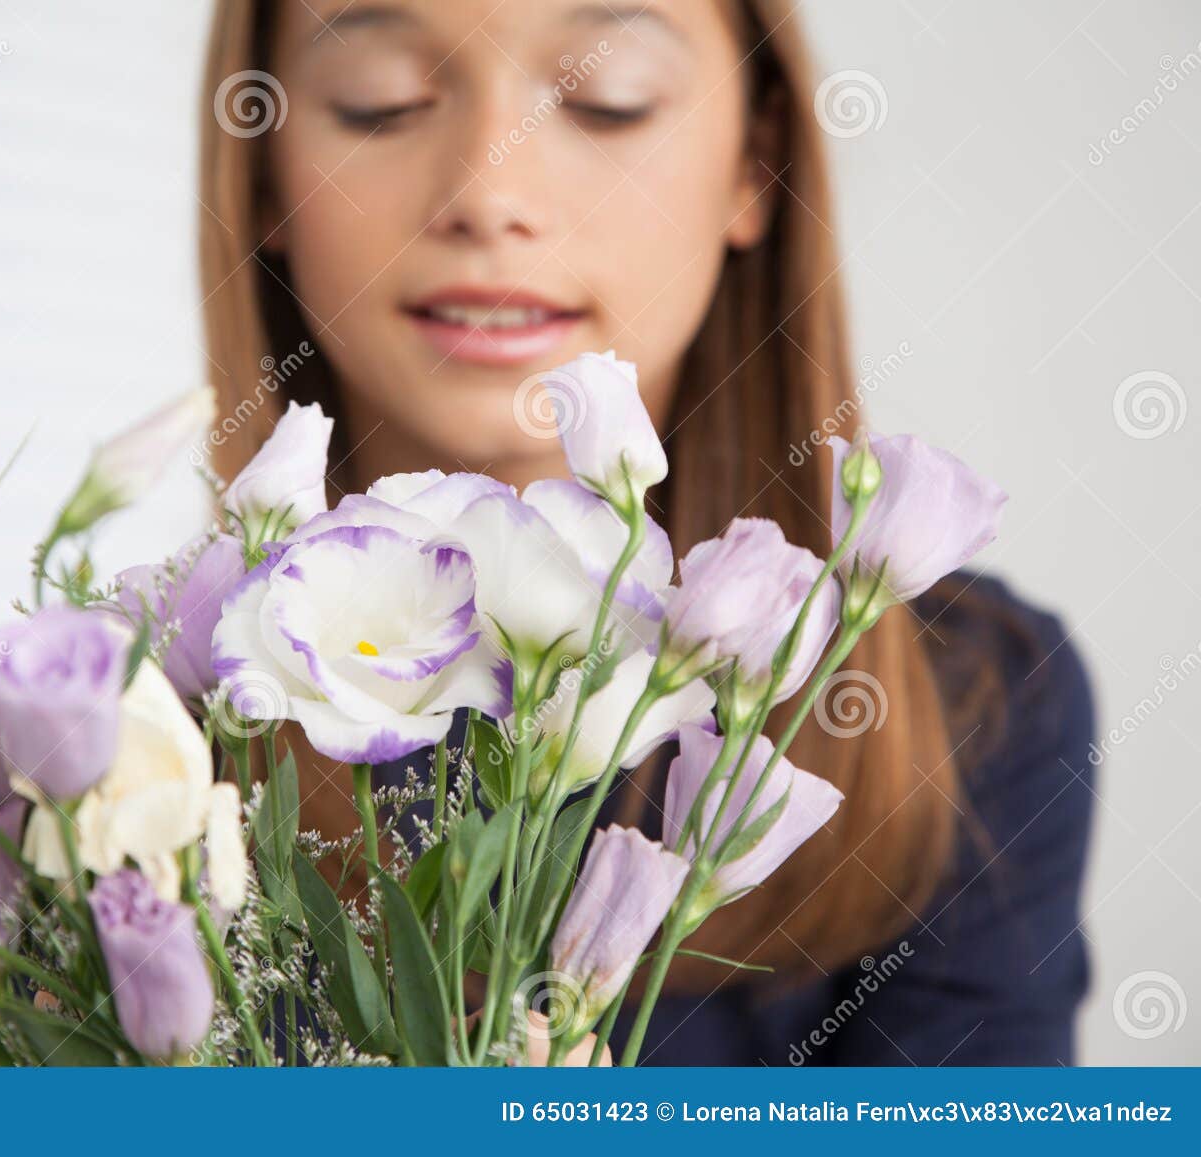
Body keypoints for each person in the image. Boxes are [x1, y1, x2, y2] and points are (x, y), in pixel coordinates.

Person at [198, 0, 1097, 1064]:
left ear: (754, 162)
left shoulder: (974, 702)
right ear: (263, 170)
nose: (489, 193)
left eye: (605, 100)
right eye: (379, 102)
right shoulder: (118, 728)